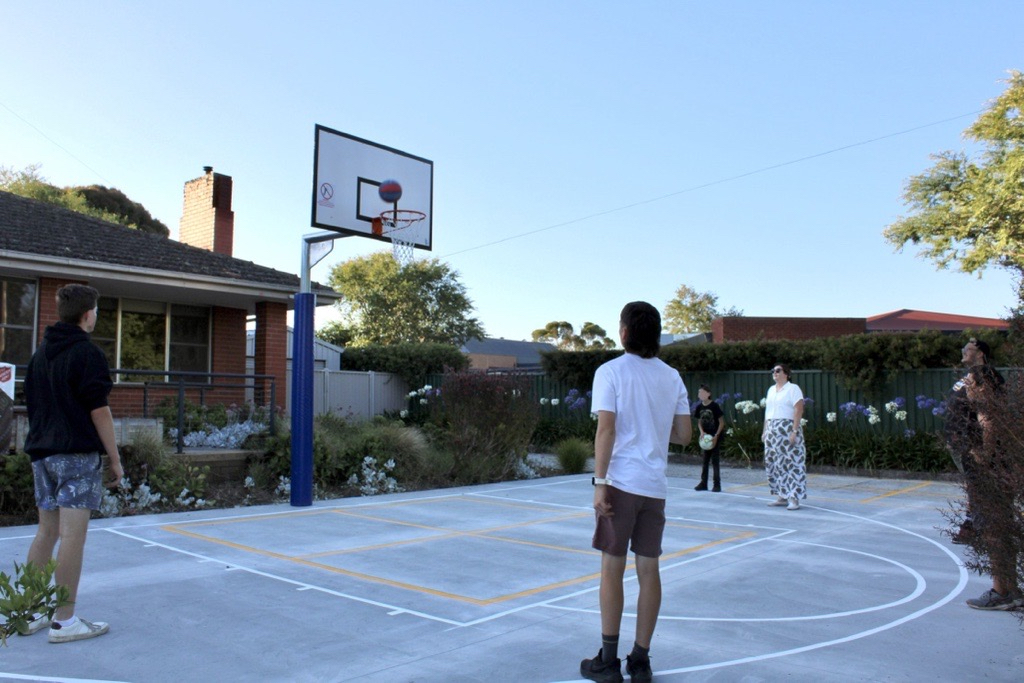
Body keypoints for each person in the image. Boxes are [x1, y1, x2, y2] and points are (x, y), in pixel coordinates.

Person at [580, 302, 691, 683]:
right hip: (655, 487)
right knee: (649, 569)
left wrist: (600, 483)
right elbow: (684, 435)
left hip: (621, 483)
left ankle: (607, 661)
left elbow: (606, 431)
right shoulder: (672, 377)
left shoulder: (610, 372)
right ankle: (640, 660)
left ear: (624, 331)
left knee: (612, 569)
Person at [22, 284, 123, 643]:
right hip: (76, 456)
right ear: (87, 314)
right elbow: (100, 411)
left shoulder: (40, 354)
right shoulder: (87, 354)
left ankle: (29, 611)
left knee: (46, 532)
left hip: (42, 454)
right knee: (72, 537)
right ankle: (64, 621)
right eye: (96, 310)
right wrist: (114, 458)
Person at [949, 338, 1019, 611]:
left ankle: (1002, 592)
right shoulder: (973, 376)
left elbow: (987, 417)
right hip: (978, 464)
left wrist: (984, 455)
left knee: (994, 526)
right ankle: (1009, 589)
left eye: (968, 346)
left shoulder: (983, 376)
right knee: (995, 524)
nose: (963, 349)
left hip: (987, 465)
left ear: (980, 353)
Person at [762, 363, 806, 511]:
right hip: (772, 430)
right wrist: (765, 431)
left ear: (786, 373)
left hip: (787, 428)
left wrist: (794, 430)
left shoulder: (793, 389)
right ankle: (782, 495)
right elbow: (768, 413)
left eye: (778, 370)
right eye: (773, 370)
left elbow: (798, 409)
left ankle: (793, 497)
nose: (774, 373)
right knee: (774, 463)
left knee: (792, 463)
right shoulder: (771, 390)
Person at [692, 385, 724, 492]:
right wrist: (702, 432)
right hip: (705, 438)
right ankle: (703, 483)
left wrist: (716, 436)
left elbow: (721, 422)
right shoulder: (699, 407)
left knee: (715, 461)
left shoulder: (714, 406)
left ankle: (717, 485)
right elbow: (699, 421)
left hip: (714, 437)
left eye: (702, 392)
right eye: (699, 393)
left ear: (708, 394)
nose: (700, 394)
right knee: (705, 461)